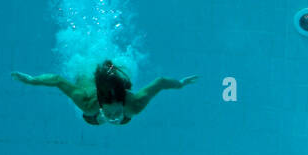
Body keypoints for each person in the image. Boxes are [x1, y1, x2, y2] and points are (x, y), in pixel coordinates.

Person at [11, 59, 198, 126]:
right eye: (109, 112)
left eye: (116, 111)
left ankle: (113, 71)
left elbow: (161, 82)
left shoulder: (135, 105)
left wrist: (180, 84)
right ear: (101, 104)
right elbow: (58, 80)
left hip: (117, 91)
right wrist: (32, 80)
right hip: (86, 80)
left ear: (124, 101)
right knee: (91, 117)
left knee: (124, 119)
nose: (113, 116)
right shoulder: (86, 101)